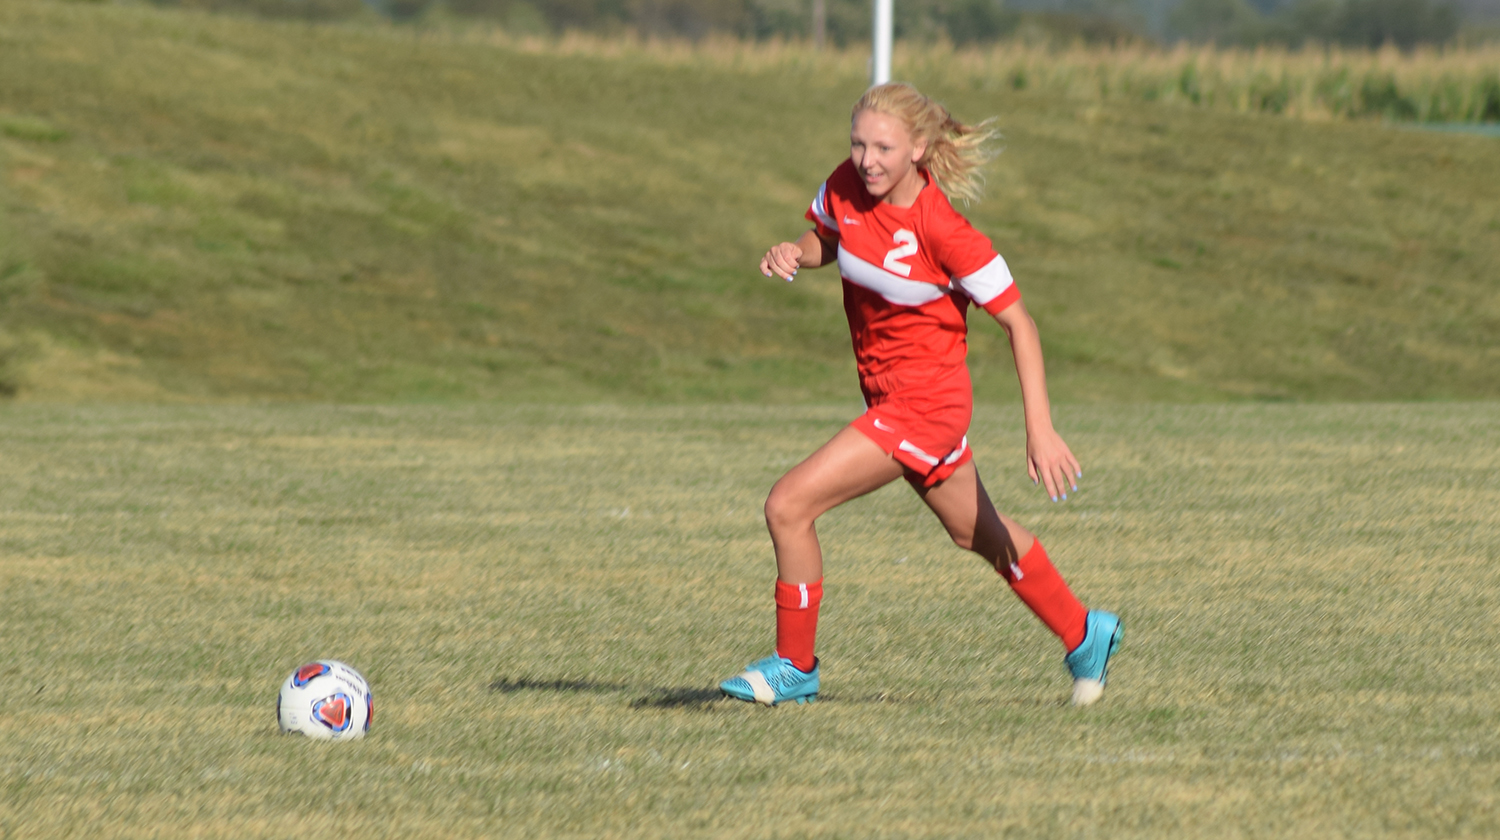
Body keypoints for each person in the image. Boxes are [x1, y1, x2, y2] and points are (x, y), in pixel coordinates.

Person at [718, 82, 1121, 708]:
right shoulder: (845, 187)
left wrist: (1039, 426)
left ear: (919, 148)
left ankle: (794, 668)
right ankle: (1082, 632)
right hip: (888, 402)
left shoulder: (945, 230)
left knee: (788, 506)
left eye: (883, 147)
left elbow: (1020, 322)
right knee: (977, 534)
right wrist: (792, 252)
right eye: (857, 143)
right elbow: (829, 238)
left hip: (925, 410)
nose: (866, 160)